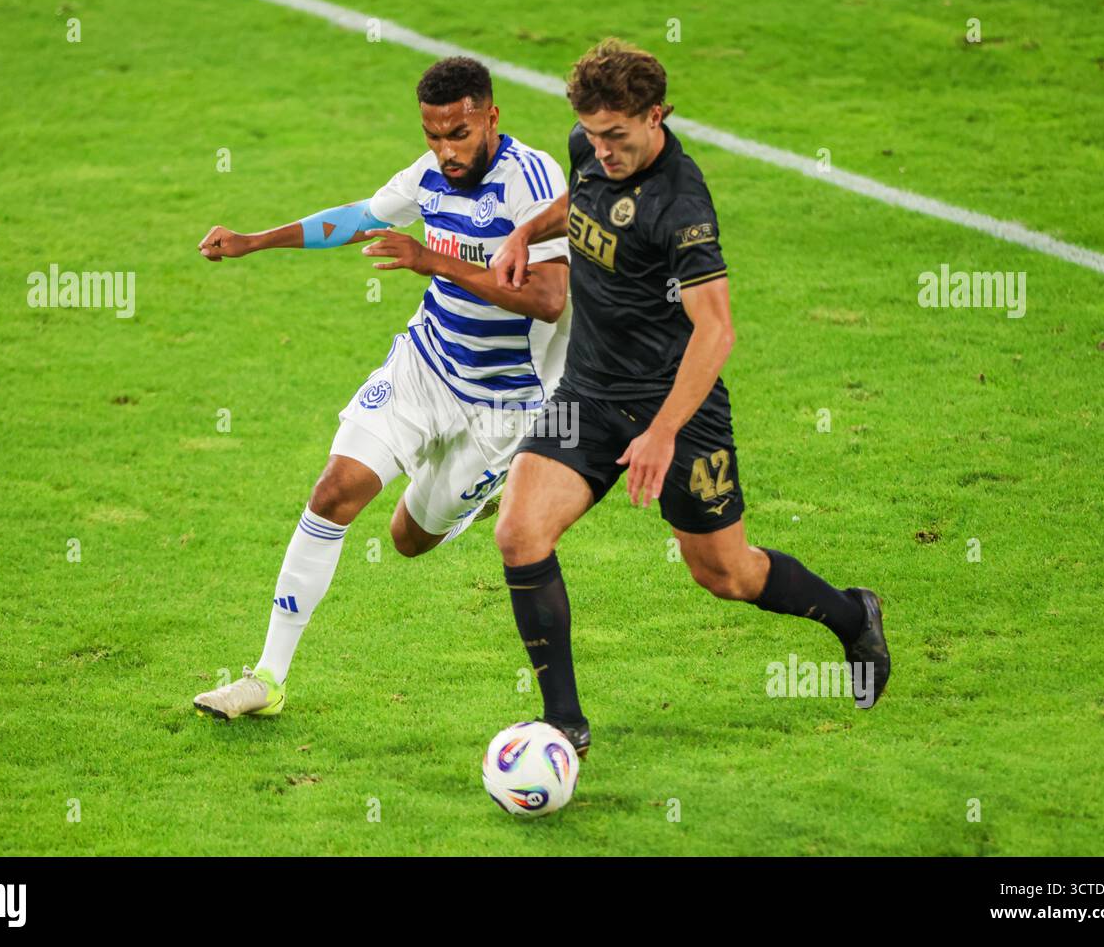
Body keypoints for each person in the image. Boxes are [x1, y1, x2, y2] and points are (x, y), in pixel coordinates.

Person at [489, 40, 890, 756]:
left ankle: (852, 614)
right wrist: (526, 230)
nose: (602, 149)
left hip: (679, 409)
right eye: (593, 133)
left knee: (725, 573)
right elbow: (581, 196)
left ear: (657, 115)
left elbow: (717, 330)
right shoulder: (590, 144)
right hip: (588, 390)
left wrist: (665, 431)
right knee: (519, 532)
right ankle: (564, 724)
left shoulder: (682, 205)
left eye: (618, 136)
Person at [192, 57, 570, 720]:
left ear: (491, 117)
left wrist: (432, 260)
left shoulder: (532, 183)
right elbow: (358, 218)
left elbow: (547, 298)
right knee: (334, 491)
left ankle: (482, 496)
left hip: (505, 402)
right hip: (424, 365)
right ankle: (266, 679)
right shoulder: (428, 177)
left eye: (458, 133)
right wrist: (255, 241)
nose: (446, 152)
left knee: (407, 538)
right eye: (433, 135)